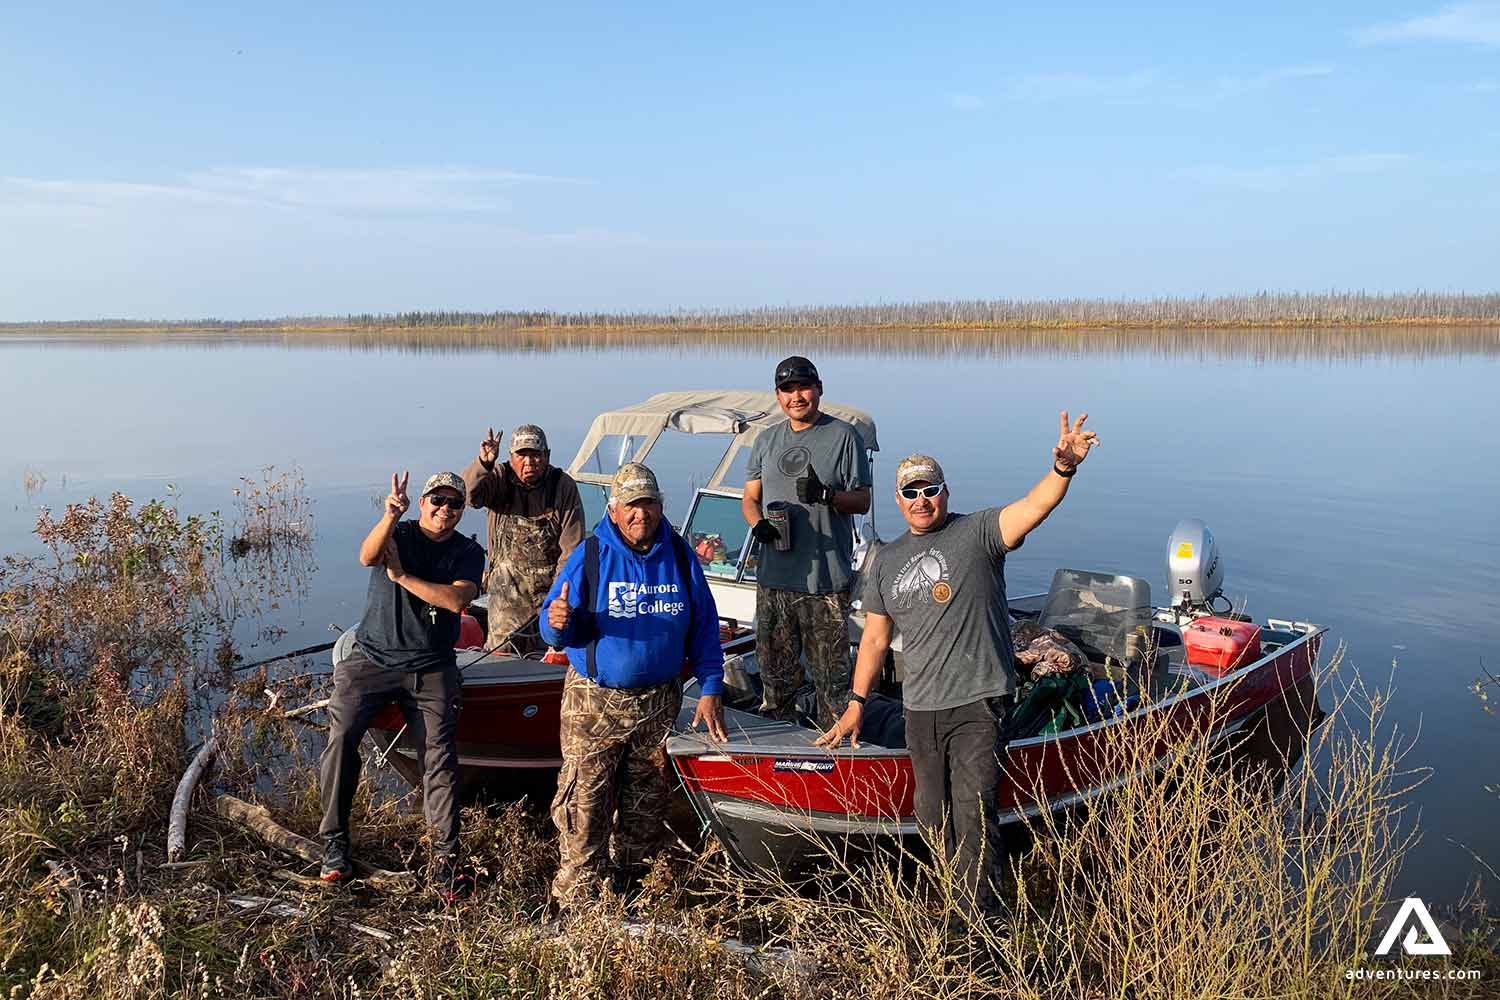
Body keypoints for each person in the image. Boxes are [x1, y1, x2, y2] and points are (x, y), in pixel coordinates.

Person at [816, 412, 1100, 921]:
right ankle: (954, 904)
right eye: (910, 493)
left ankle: (980, 923)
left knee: (974, 813)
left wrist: (1063, 468)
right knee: (931, 817)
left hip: (977, 702)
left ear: (945, 492)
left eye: (930, 490)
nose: (921, 500)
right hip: (921, 709)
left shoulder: (978, 534)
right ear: (898, 500)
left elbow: (1035, 506)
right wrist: (856, 704)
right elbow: (876, 637)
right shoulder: (887, 560)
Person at [539, 462, 728, 909]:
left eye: (648, 503)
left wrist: (711, 685)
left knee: (646, 801)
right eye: (632, 505)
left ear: (661, 506)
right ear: (614, 508)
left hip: (659, 701)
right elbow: (555, 624)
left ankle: (632, 889)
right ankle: (577, 903)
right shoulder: (589, 555)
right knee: (586, 802)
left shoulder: (680, 557)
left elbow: (703, 625)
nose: (640, 513)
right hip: (595, 702)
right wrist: (556, 625)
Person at [319, 471, 486, 900]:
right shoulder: (401, 533)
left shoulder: (468, 551)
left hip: (432, 667)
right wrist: (391, 516)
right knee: (341, 737)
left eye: (454, 503)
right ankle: (335, 844)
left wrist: (403, 578)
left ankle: (446, 862)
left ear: (461, 510)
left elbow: (456, 601)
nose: (444, 509)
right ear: (423, 501)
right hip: (372, 658)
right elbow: (366, 556)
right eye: (437, 500)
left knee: (440, 758)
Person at [741, 356, 871, 727]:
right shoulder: (767, 440)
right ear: (778, 396)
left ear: (818, 389)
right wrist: (758, 525)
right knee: (775, 681)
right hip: (774, 582)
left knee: (832, 684)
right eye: (787, 389)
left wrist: (827, 495)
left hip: (825, 585)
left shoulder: (844, 437)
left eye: (803, 387)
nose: (796, 396)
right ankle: (778, 747)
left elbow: (862, 501)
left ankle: (840, 751)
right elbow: (751, 499)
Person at [463, 424, 585, 653]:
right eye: (522, 455)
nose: (529, 462)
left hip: (548, 596)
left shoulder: (562, 485)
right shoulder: (499, 477)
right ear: (511, 457)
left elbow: (571, 549)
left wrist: (559, 595)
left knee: (547, 658)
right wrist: (484, 464)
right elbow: (469, 496)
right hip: (504, 599)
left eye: (536, 455)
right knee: (500, 658)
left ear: (547, 456)